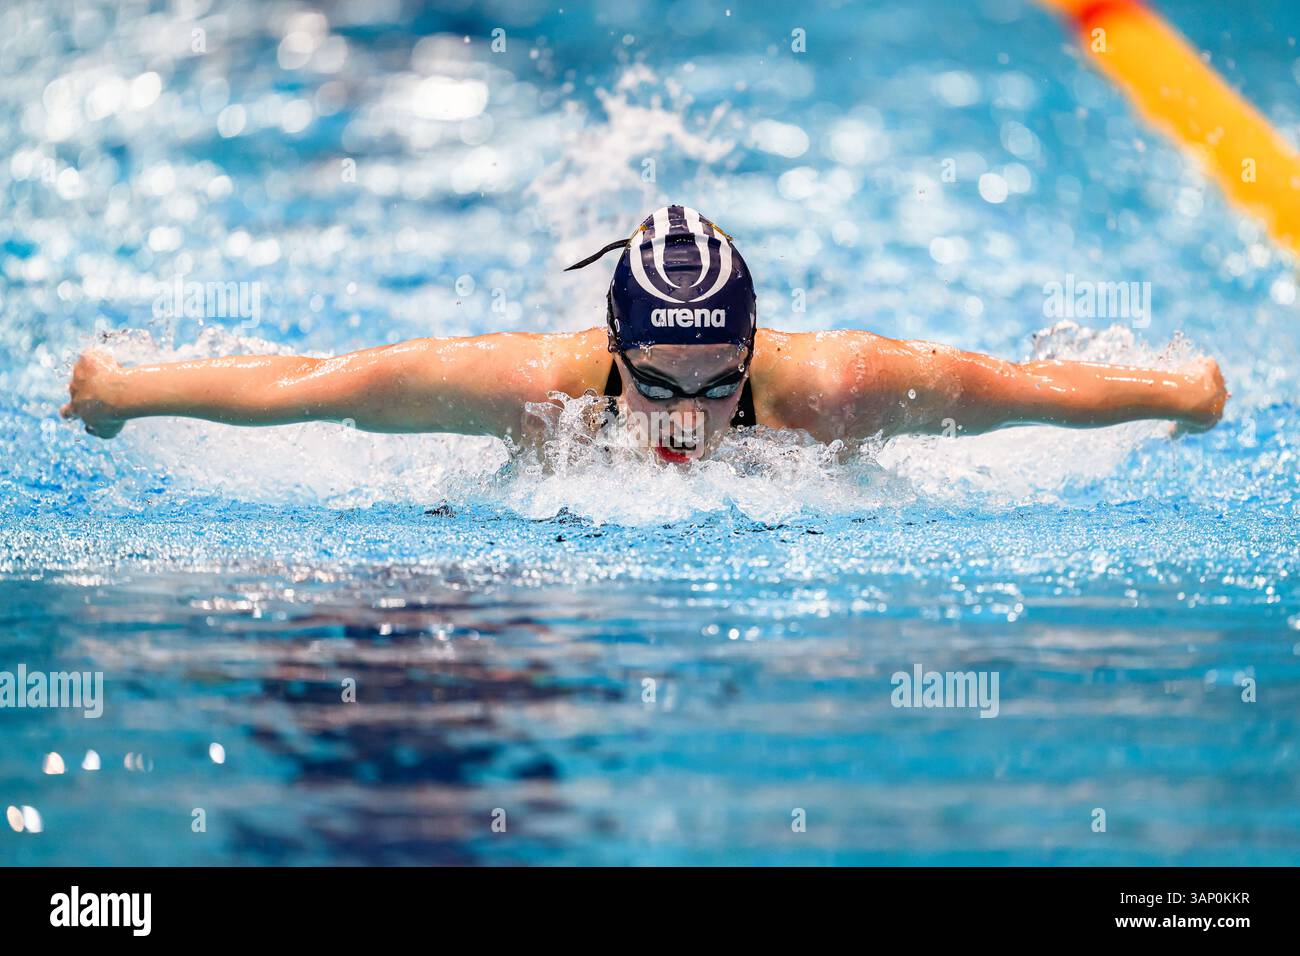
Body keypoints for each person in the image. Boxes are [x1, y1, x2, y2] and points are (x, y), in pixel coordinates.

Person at [62, 205, 1227, 463]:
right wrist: (127, 387)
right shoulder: (521, 386)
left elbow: (1020, 388)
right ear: (610, 351)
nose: (683, 417)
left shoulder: (843, 386)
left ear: (755, 350)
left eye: (718, 382)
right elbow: (318, 385)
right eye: (656, 382)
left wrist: (1180, 395)